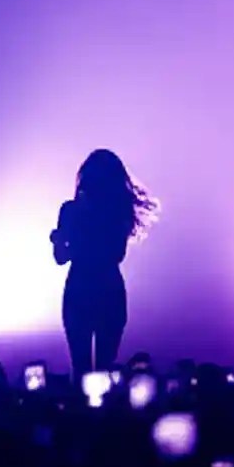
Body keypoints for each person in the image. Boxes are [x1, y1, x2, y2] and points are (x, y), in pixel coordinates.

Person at [50, 149, 157, 381]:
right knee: (88, 370)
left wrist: (69, 238)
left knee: (94, 371)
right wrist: (61, 239)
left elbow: (113, 253)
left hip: (92, 291)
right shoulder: (72, 211)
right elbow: (61, 256)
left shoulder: (112, 215)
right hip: (97, 291)